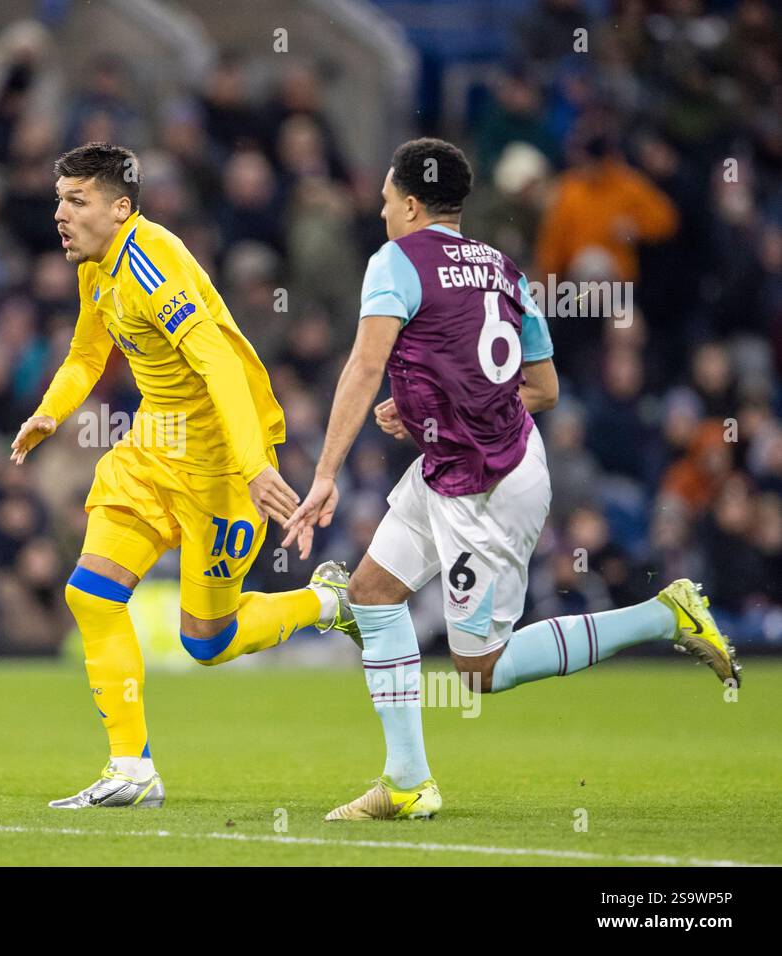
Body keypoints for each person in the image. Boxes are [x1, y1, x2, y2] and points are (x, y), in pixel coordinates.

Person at [283, 138, 739, 821]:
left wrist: (324, 474)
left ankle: (663, 614)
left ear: (409, 205)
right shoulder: (502, 267)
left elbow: (362, 366)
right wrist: (436, 411)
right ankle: (406, 782)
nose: (381, 215)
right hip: (475, 463)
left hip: (483, 487)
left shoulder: (395, 262)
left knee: (481, 671)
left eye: (384, 202)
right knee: (372, 591)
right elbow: (544, 389)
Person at [10, 142, 357, 809]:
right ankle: (131, 770)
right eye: (59, 199)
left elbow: (221, 367)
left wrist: (254, 467)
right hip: (151, 447)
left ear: (120, 207)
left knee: (209, 640)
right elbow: (88, 352)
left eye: (76, 200)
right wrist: (50, 413)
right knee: (91, 595)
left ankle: (329, 603)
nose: (60, 213)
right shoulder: (95, 265)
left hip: (221, 463)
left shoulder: (150, 262)